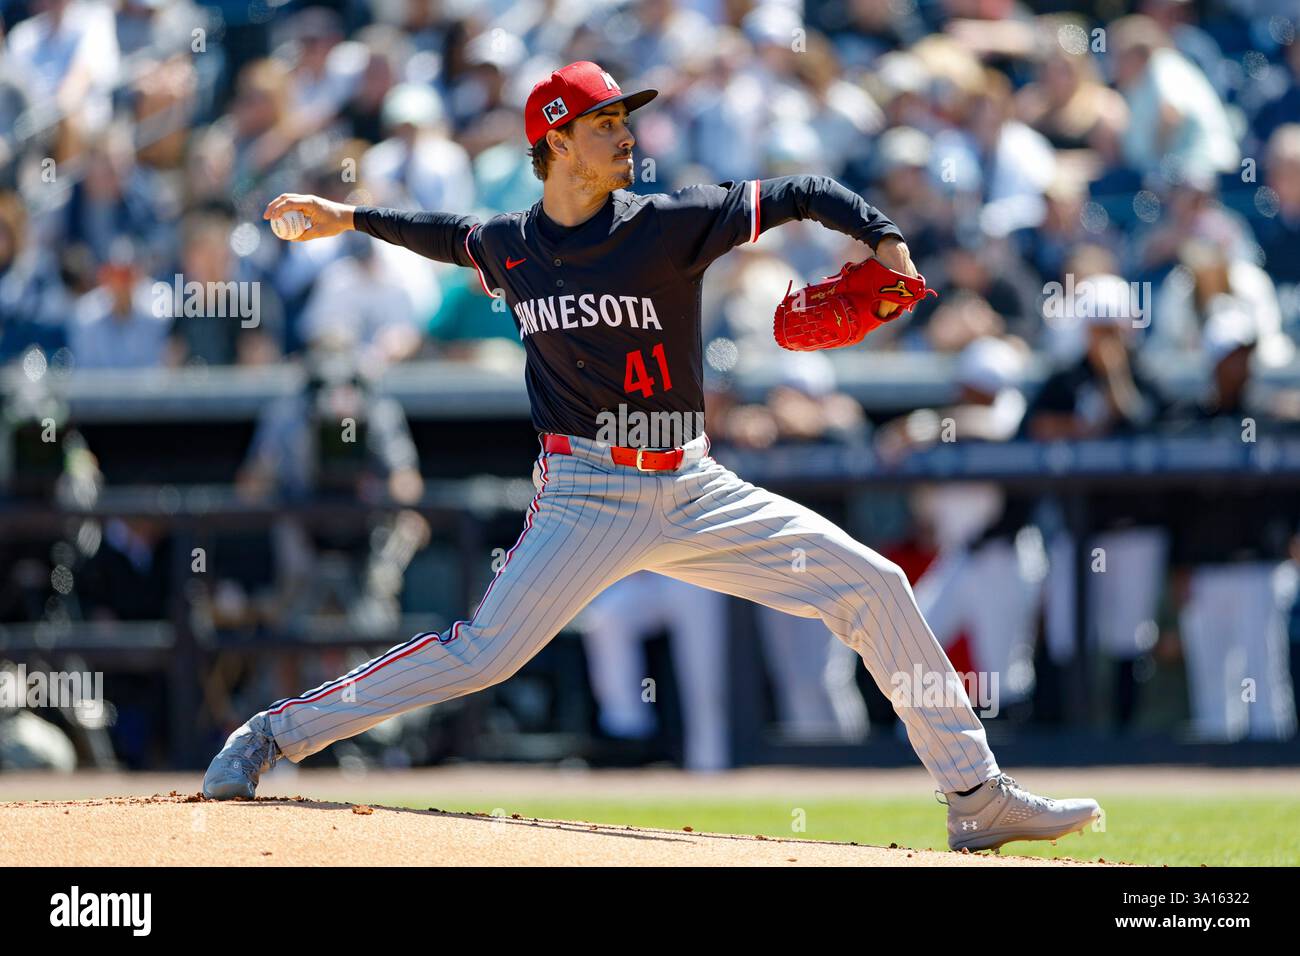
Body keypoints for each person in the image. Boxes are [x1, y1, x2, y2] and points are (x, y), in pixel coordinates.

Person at [203, 60, 1101, 853]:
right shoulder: (510, 246)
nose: (625, 135)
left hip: (694, 482)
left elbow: (799, 190)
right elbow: (436, 231)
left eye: (624, 120)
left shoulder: (669, 225)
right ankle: (277, 735)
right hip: (585, 495)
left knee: (875, 587)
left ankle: (976, 798)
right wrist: (347, 216)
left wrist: (882, 237)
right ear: (556, 141)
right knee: (483, 654)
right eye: (604, 123)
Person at [1167, 301, 1298, 741]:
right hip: (1205, 570)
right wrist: (1177, 565)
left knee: (1265, 686)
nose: (1239, 363)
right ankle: (1213, 783)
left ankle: (1270, 783)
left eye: (1244, 354)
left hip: (1259, 567)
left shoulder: (1271, 416)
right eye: (1230, 354)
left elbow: (1287, 492)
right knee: (1213, 692)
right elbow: (1175, 506)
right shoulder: (1188, 422)